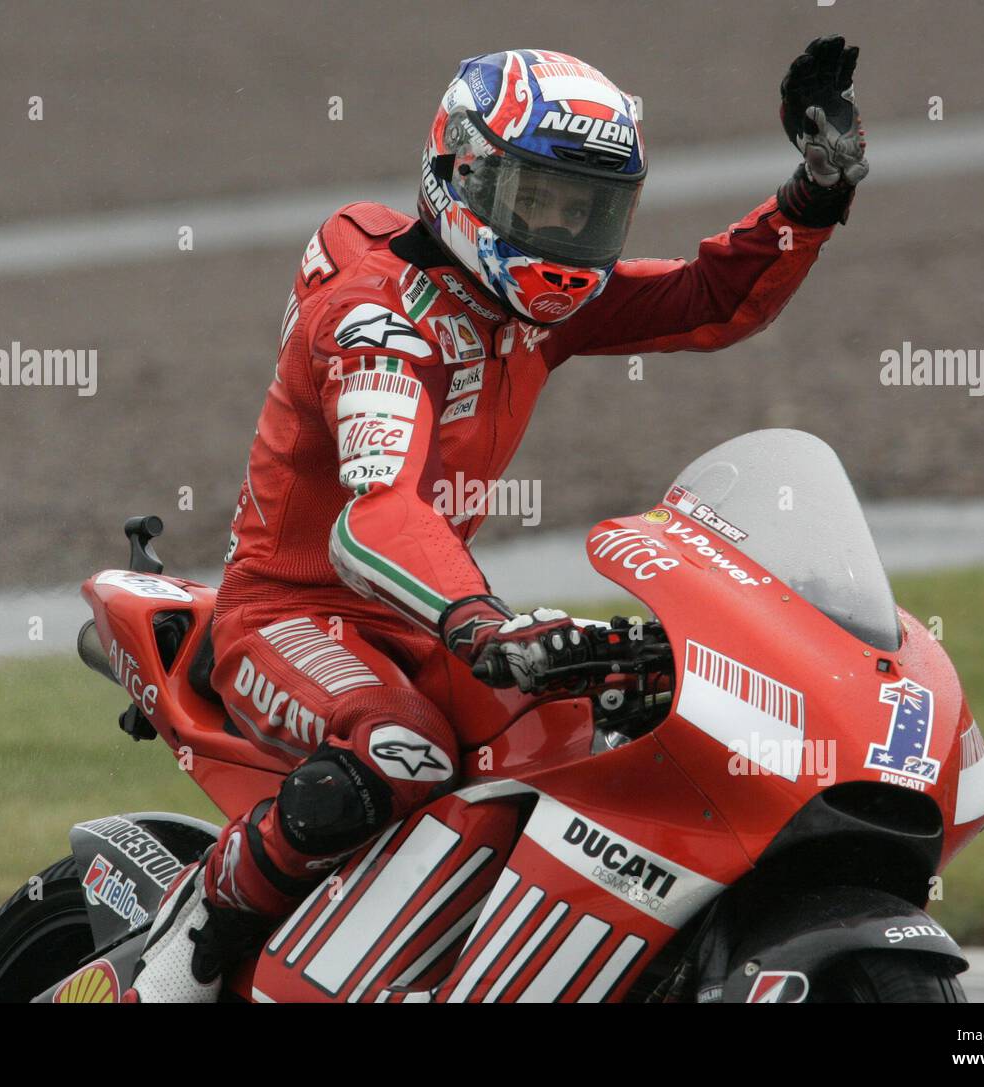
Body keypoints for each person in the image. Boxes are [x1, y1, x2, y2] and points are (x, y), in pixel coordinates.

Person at [128, 37, 869, 1002]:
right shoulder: (375, 322)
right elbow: (376, 517)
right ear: (460, 173)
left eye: (590, 211)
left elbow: (709, 297)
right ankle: (197, 941)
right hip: (289, 613)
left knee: (576, 737)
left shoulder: (539, 305)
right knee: (401, 746)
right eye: (541, 201)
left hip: (416, 616)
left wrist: (813, 195)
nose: (564, 236)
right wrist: (480, 620)